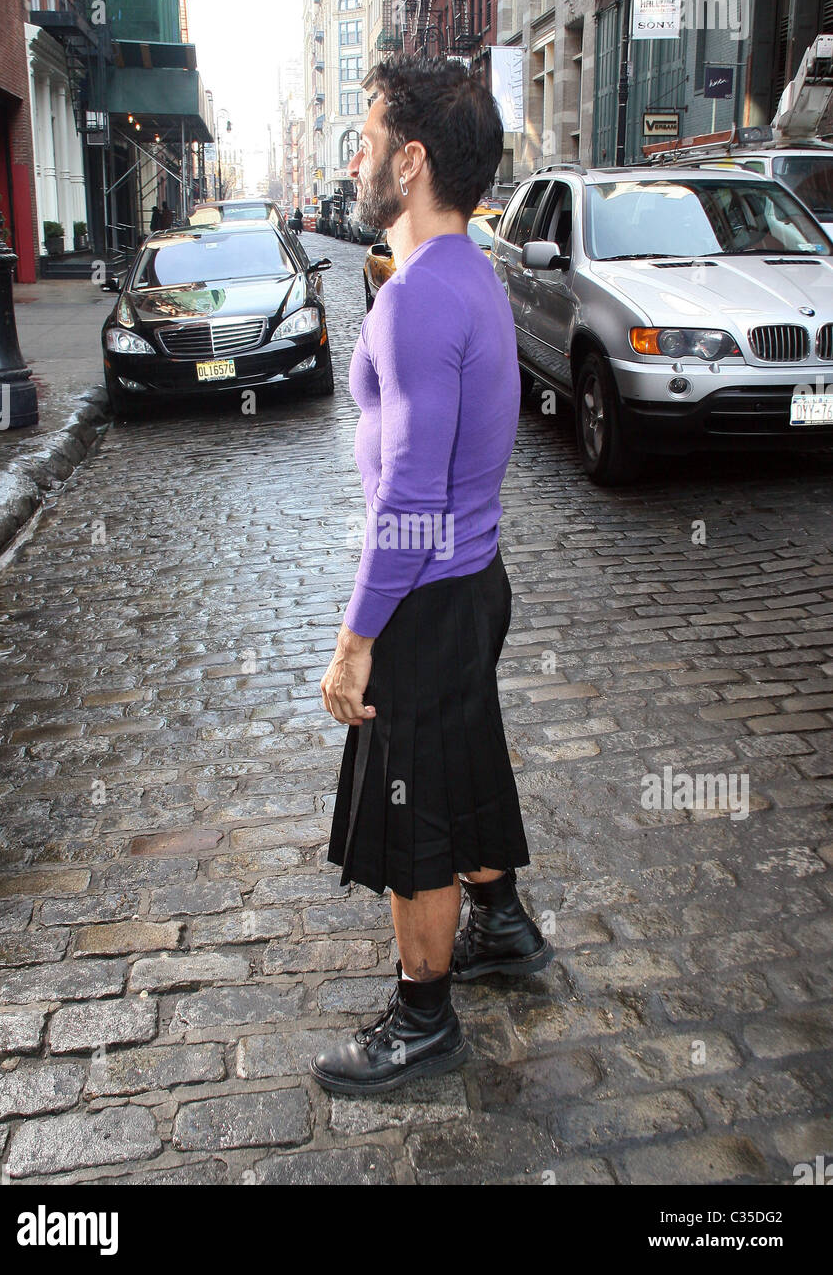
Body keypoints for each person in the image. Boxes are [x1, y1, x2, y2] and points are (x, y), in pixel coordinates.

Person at [311, 56, 552, 1098]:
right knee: (464, 756)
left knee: (413, 811)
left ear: (409, 161)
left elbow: (409, 503)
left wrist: (356, 638)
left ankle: (422, 1020)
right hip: (473, 582)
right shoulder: (464, 272)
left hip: (422, 595)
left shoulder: (420, 301)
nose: (353, 157)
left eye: (366, 140)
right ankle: (500, 922)